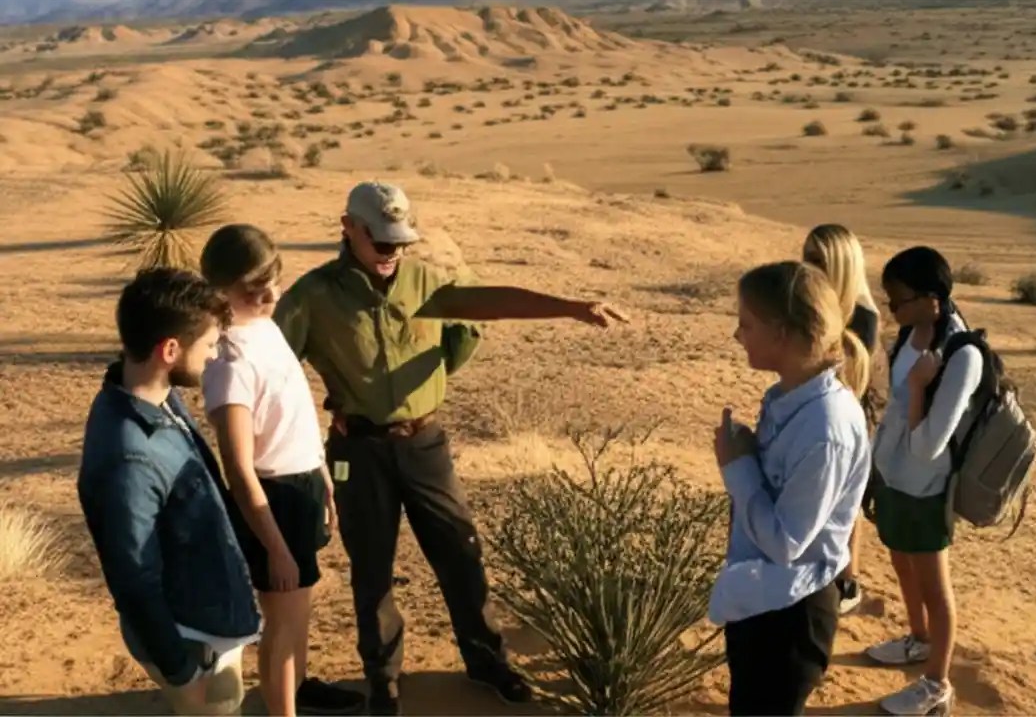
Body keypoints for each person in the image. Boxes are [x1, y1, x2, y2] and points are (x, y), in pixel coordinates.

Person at [273, 180, 628, 715]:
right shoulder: (313, 296)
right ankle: (383, 681)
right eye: (382, 242)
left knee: (462, 555)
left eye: (400, 242)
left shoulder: (423, 281)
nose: (393, 253)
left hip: (425, 444)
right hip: (358, 451)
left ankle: (489, 664)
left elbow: (490, 305)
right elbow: (276, 371)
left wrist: (571, 307)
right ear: (349, 228)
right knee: (372, 570)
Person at [77, 268, 260, 716]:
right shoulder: (131, 457)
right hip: (192, 640)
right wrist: (181, 673)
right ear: (170, 350)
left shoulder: (153, 399)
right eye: (209, 345)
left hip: (208, 620)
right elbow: (134, 580)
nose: (215, 354)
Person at [200, 225, 366, 717]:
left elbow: (292, 411)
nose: (270, 294)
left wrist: (323, 477)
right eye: (254, 288)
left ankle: (297, 690)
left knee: (298, 616)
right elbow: (239, 468)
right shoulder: (229, 360)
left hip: (303, 485)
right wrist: (275, 546)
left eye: (274, 279)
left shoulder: (266, 327)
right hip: (273, 501)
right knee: (283, 623)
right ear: (221, 291)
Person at [708, 260, 872, 716]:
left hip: (791, 614)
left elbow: (787, 542)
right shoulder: (788, 399)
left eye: (747, 324)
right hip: (763, 599)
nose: (737, 336)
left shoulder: (825, 428)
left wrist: (737, 466)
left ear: (781, 333)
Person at [865, 246, 980, 716]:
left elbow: (929, 445)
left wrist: (916, 388)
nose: (893, 311)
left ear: (931, 298)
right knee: (901, 563)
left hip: (927, 486)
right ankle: (917, 638)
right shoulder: (911, 335)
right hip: (893, 474)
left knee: (935, 585)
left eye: (899, 300)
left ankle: (937, 684)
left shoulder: (961, 355)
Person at [801, 223, 882, 615]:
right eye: (806, 256)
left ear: (841, 264)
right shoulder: (813, 302)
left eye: (818, 258)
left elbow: (849, 375)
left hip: (846, 418)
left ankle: (847, 581)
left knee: (845, 504)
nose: (809, 265)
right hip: (810, 411)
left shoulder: (862, 316)